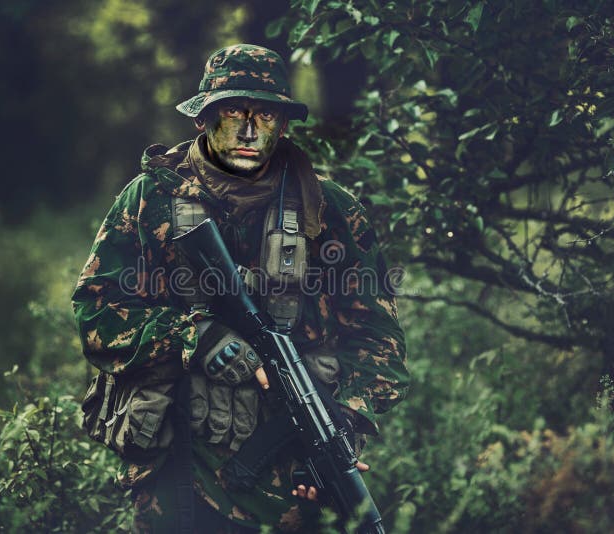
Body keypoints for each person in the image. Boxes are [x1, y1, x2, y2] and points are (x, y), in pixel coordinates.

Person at [72, 43, 409, 533]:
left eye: (266, 114)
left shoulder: (329, 211)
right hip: (178, 472)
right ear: (202, 119)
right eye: (233, 111)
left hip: (286, 486)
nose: (249, 130)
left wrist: (341, 426)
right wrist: (197, 338)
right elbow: (96, 312)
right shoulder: (151, 199)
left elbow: (379, 339)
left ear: (284, 124)